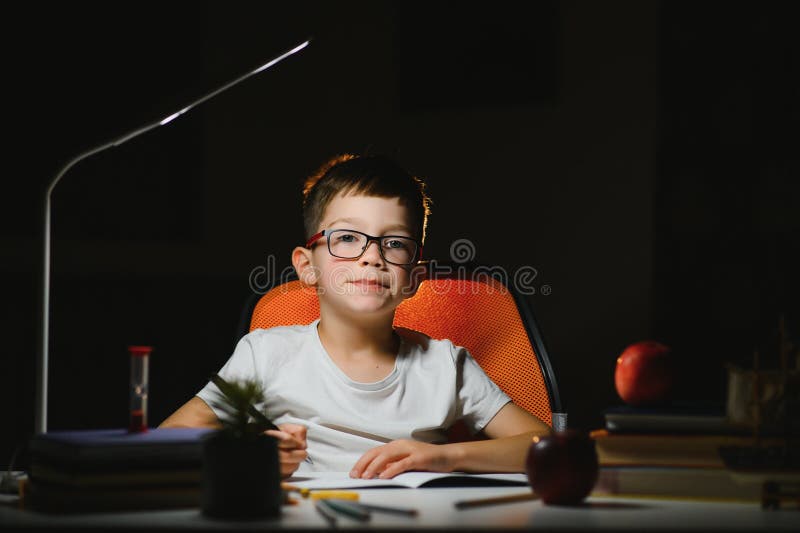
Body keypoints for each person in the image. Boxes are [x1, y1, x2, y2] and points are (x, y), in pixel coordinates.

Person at [160, 153, 551, 479]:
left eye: (394, 243)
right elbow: (170, 436)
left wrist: (444, 458)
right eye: (347, 237)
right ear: (307, 266)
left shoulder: (445, 364)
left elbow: (543, 444)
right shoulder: (267, 354)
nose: (371, 256)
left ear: (414, 278)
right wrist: (246, 456)